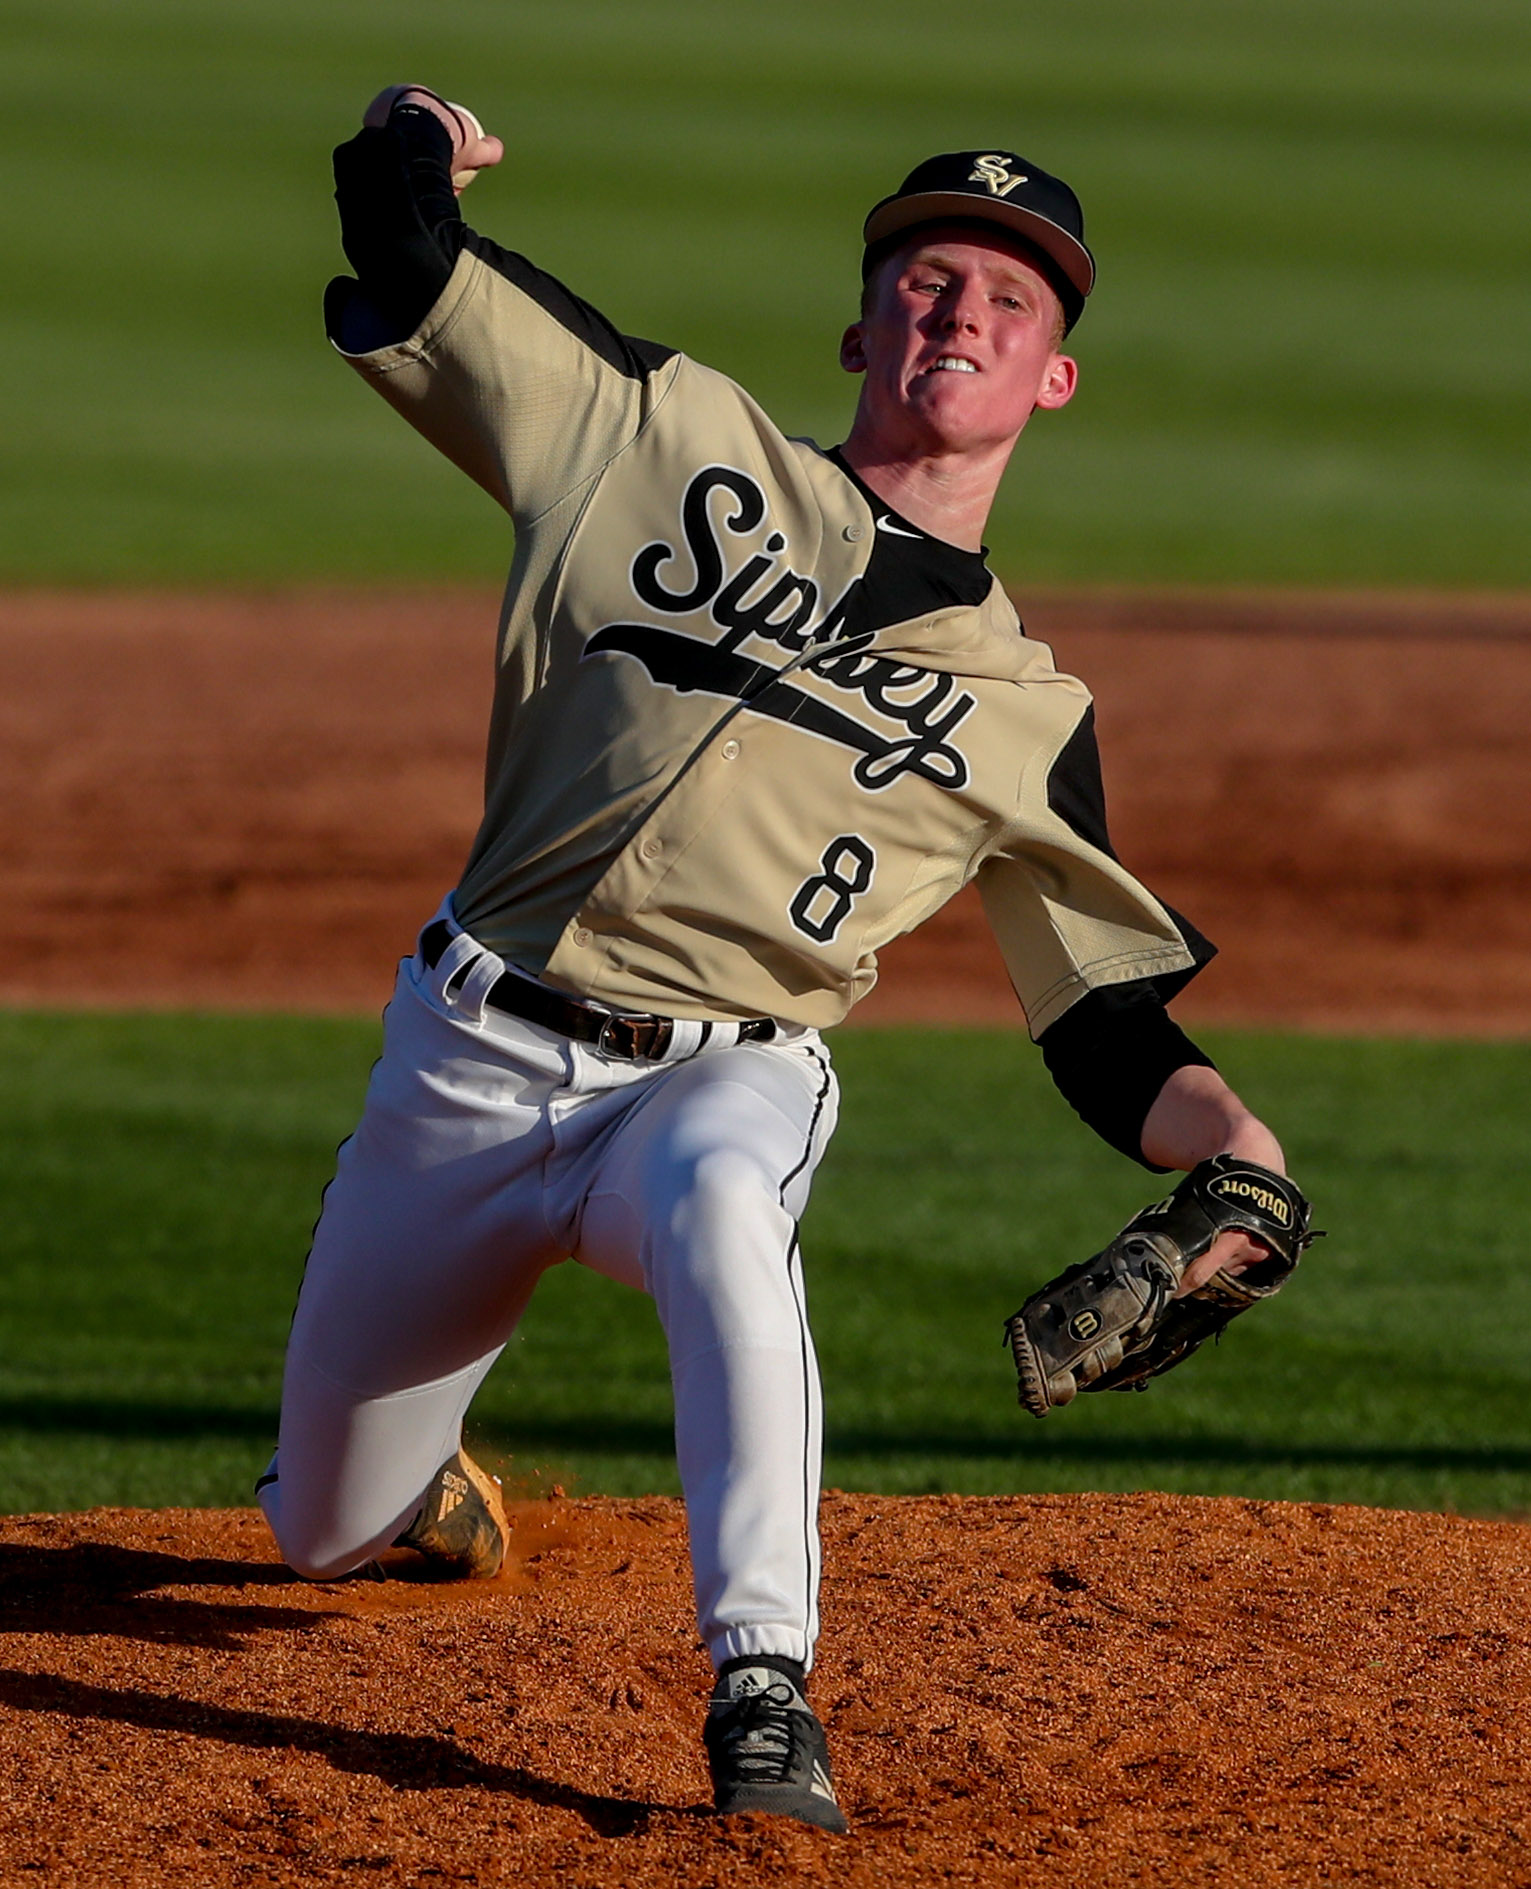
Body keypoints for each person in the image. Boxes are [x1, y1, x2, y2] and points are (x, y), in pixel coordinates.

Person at [257, 90, 1285, 1835]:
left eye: (1012, 301)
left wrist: (1245, 1158)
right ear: (864, 326)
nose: (963, 307)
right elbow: (406, 253)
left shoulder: (1032, 711)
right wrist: (406, 137)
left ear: (1053, 380)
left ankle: (762, 1684)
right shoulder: (656, 435)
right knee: (321, 1526)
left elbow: (1106, 1020)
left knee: (731, 1200)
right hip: (473, 1049)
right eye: (930, 277)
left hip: (724, 1068)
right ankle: (425, 1496)